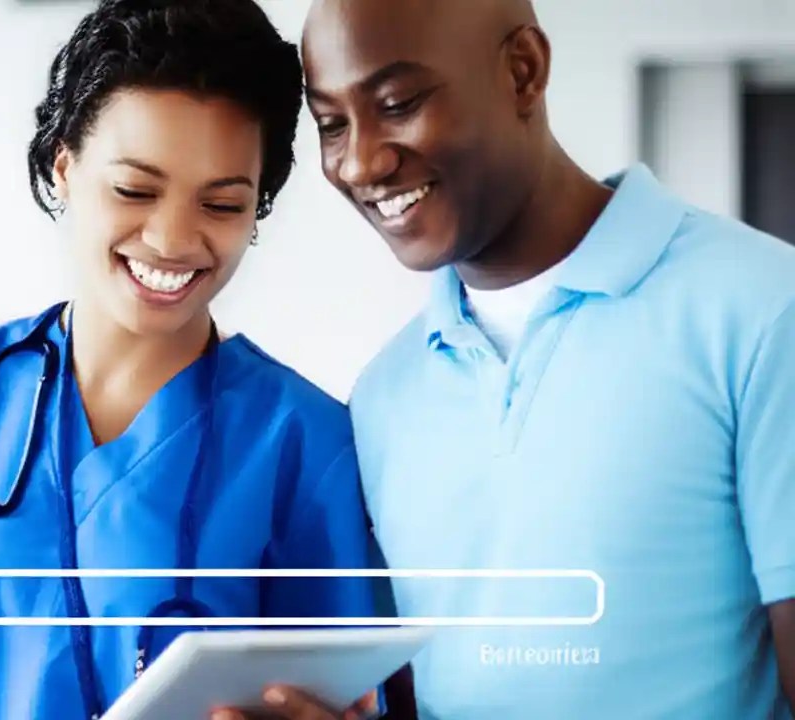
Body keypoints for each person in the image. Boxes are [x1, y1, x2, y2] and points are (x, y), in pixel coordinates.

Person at [0, 2, 383, 719]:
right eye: (134, 189)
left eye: (222, 204)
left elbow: (331, 699)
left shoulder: (303, 441)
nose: (171, 238)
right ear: (63, 166)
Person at [218, 0, 795, 718]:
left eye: (397, 103)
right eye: (332, 124)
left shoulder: (766, 309)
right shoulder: (383, 397)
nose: (360, 160)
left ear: (524, 71)